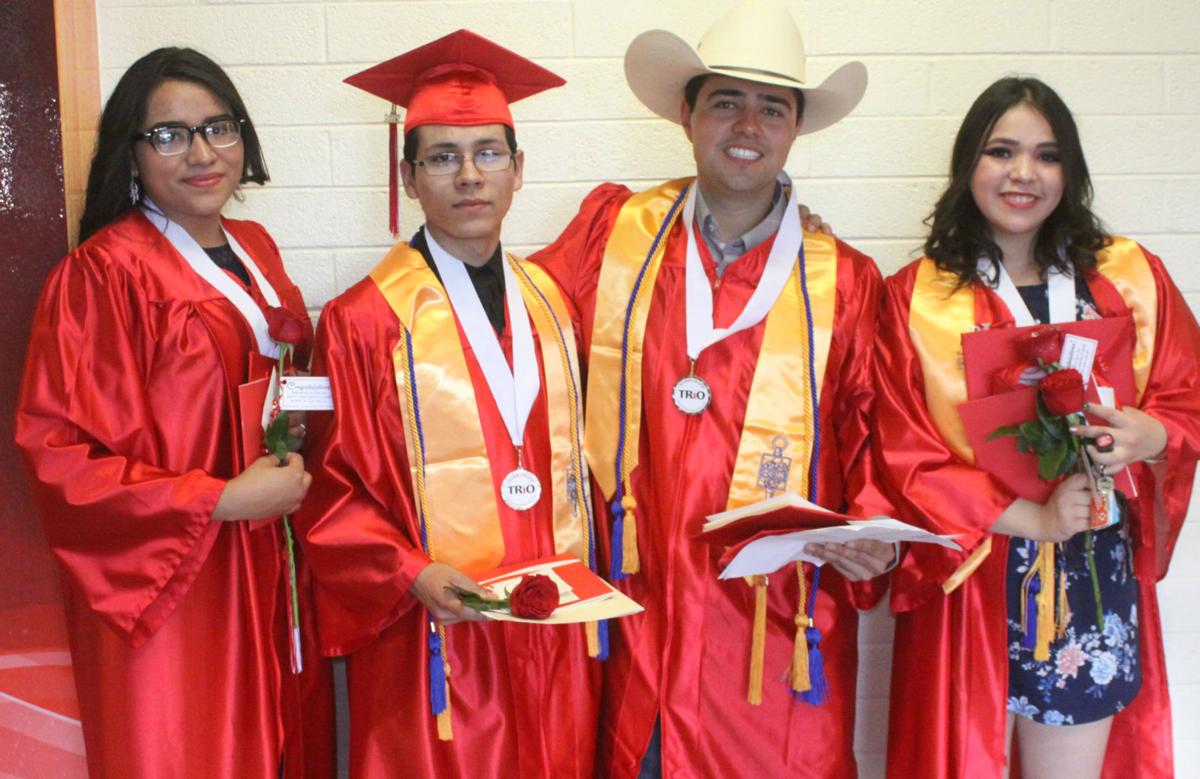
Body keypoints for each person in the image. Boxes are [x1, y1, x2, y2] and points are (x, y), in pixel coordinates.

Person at [531, 2, 897, 776]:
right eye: (726, 101)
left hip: (770, 628)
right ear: (687, 115)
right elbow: (520, 341)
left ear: (796, 128)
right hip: (636, 613)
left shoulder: (844, 282)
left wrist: (875, 535)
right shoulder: (616, 236)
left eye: (773, 108)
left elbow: (876, 436)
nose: (748, 126)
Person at [14, 47, 333, 777]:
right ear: (131, 151)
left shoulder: (256, 249)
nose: (201, 153)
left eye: (218, 127)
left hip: (268, 557)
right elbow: (59, 454)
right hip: (174, 583)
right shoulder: (102, 275)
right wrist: (217, 498)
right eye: (169, 135)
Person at [294, 30, 604, 778]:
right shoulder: (362, 321)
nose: (469, 175)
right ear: (408, 177)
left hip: (555, 628)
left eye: (488, 153)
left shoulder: (553, 302)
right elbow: (331, 490)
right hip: (430, 635)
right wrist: (408, 572)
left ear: (519, 169)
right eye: (442, 157)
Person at [875, 77, 1200, 779]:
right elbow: (902, 450)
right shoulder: (914, 299)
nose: (1023, 172)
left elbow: (1187, 394)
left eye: (1047, 156)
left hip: (1091, 568)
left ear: (1069, 171)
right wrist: (1033, 518)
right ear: (968, 163)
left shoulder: (1128, 279)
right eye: (1001, 151)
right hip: (976, 571)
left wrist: (1152, 435)